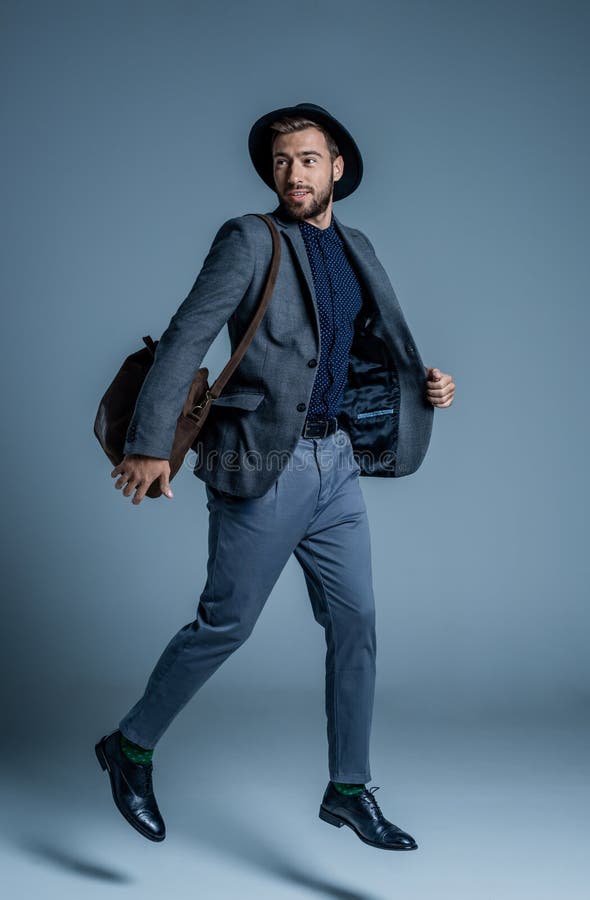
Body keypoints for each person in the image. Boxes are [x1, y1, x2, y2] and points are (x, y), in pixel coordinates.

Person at [95, 102, 455, 851]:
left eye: (309, 159)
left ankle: (349, 789)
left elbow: (357, 352)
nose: (294, 173)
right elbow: (187, 335)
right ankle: (128, 749)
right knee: (226, 624)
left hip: (335, 465)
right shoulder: (249, 241)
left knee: (356, 623)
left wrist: (424, 383)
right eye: (283, 161)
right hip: (261, 461)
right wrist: (150, 442)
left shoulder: (357, 246)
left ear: (338, 168)